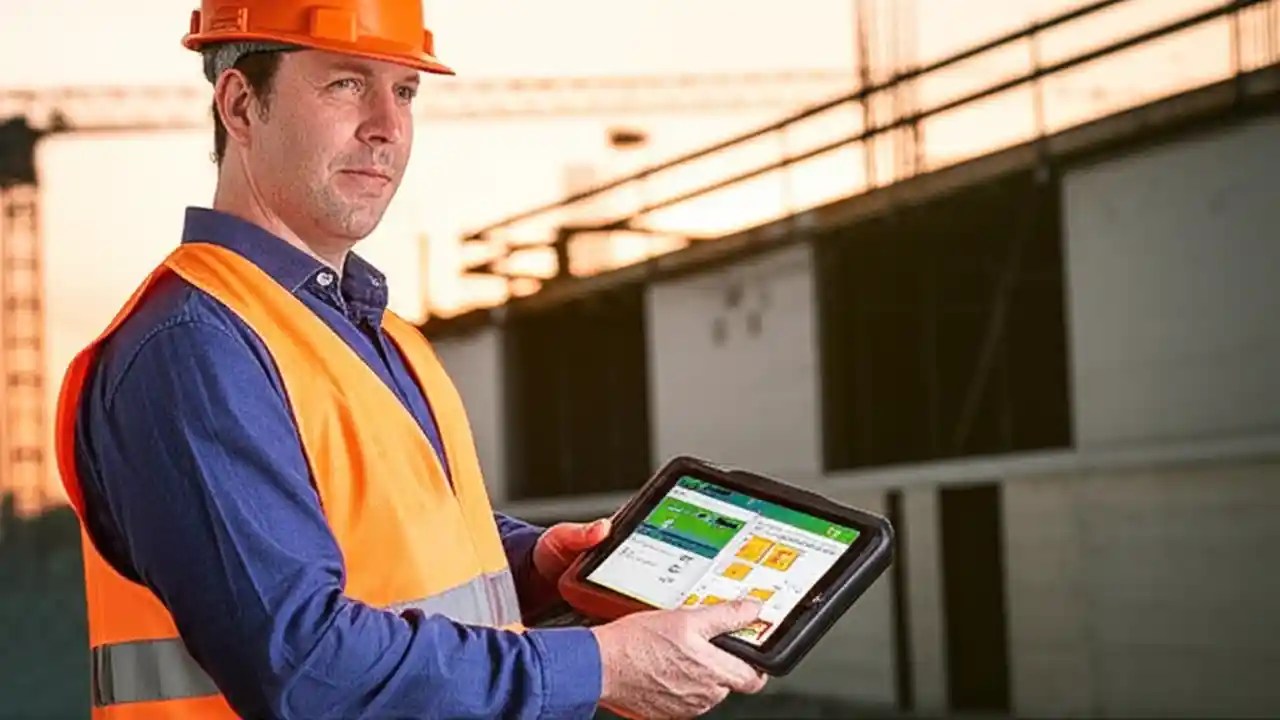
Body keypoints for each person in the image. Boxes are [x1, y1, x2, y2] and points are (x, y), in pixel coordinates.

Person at [53, 1, 769, 718]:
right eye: (346, 84)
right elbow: (306, 667)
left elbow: (389, 556)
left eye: (404, 91)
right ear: (241, 105)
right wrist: (600, 666)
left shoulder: (378, 333)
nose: (387, 127)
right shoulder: (193, 349)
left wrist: (532, 567)